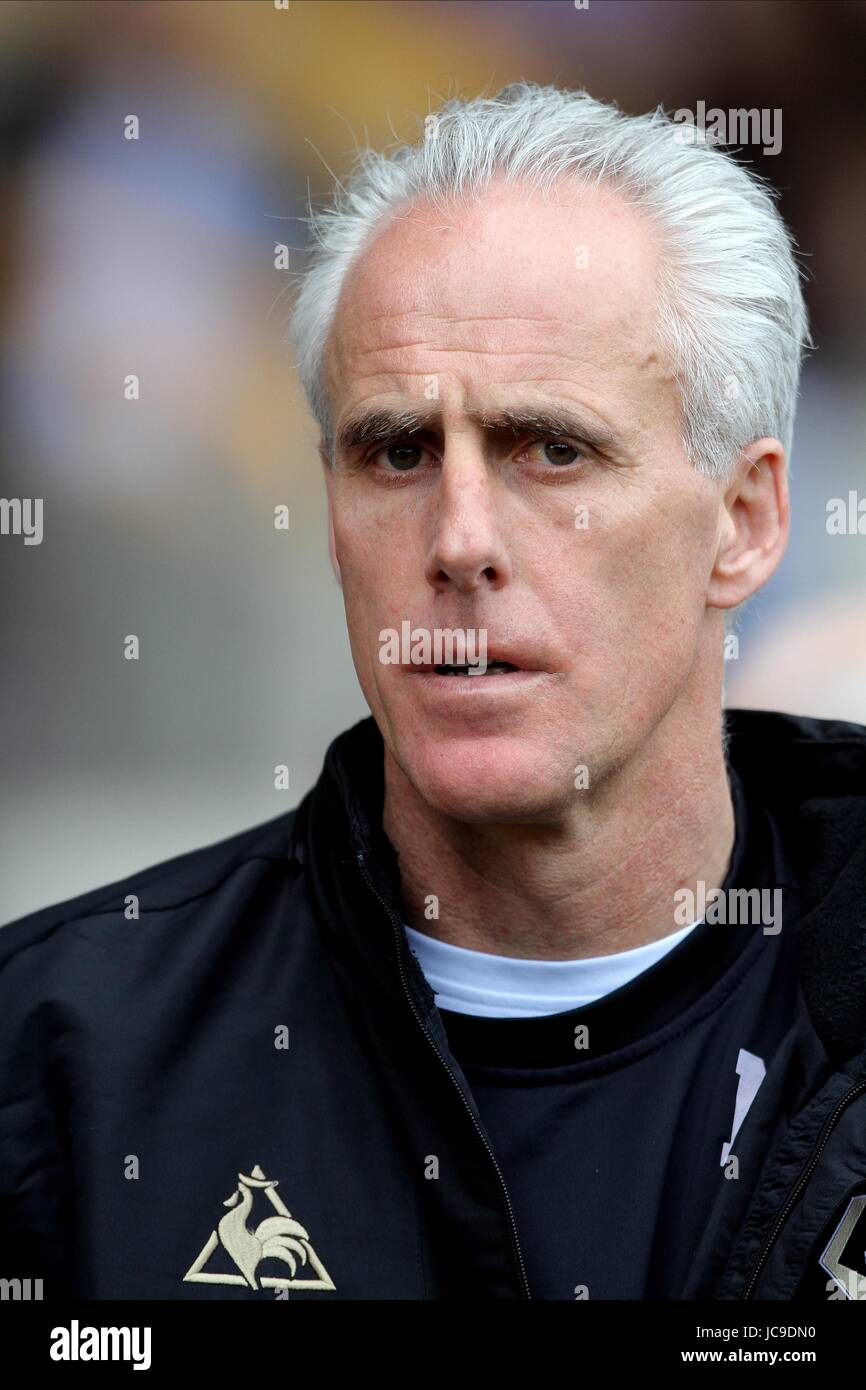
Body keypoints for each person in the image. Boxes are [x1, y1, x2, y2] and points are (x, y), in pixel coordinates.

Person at [3, 82, 866, 1303]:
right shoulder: (54, 1063)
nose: (459, 538)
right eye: (396, 451)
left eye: (550, 448)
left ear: (742, 521)